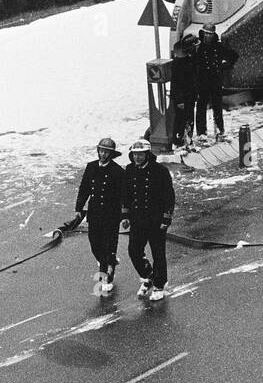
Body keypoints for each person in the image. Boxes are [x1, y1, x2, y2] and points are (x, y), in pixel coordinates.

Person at [121, 139, 175, 301]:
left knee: (158, 253)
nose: (137, 158)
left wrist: (166, 218)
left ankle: (159, 285)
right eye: (134, 154)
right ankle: (148, 275)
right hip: (137, 219)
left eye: (140, 155)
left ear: (147, 154)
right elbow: (126, 194)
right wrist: (125, 215)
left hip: (156, 220)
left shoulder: (160, 171)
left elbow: (169, 196)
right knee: (134, 251)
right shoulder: (129, 170)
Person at [75, 138, 124, 295]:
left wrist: (125, 215)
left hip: (111, 215)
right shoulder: (91, 167)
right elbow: (84, 188)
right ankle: (109, 261)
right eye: (101, 151)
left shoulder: (118, 171)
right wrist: (78, 208)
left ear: (111, 154)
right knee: (94, 243)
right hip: (94, 213)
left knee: (108, 246)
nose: (103, 154)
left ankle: (106, 278)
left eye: (106, 152)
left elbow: (123, 195)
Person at [194, 23, 238, 140]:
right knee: (201, 107)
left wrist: (225, 65)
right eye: (206, 33)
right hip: (202, 81)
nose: (208, 36)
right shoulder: (198, 47)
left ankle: (219, 129)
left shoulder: (218, 47)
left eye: (210, 34)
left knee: (217, 106)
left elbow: (233, 55)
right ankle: (201, 132)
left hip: (215, 80)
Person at [169, 34, 199, 148]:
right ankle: (178, 141)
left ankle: (188, 139)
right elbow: (176, 84)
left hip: (189, 96)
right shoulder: (179, 63)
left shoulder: (189, 60)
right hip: (181, 98)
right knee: (180, 120)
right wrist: (180, 100)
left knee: (189, 119)